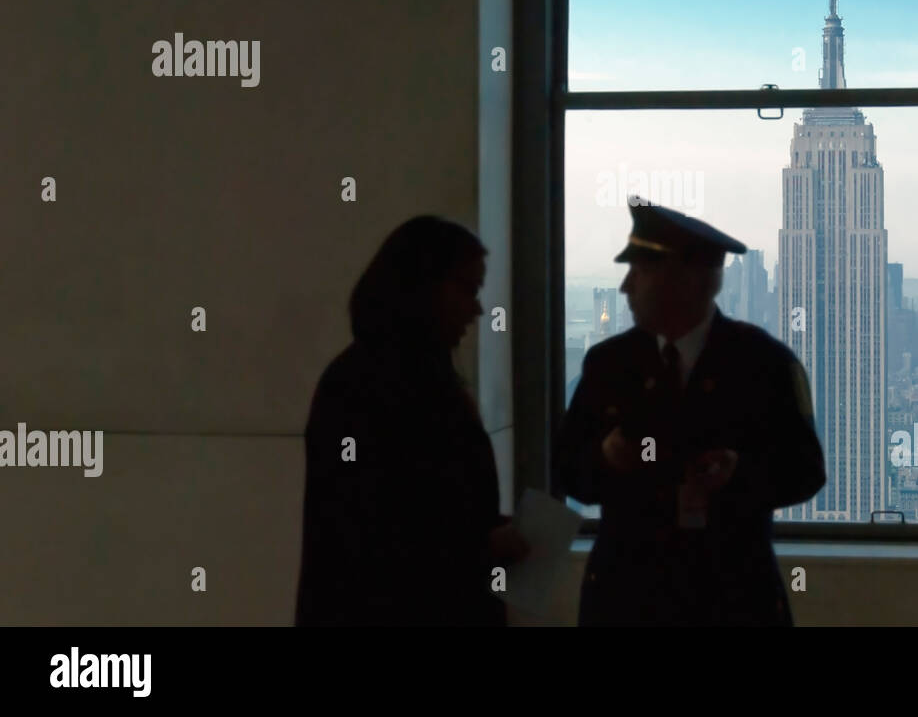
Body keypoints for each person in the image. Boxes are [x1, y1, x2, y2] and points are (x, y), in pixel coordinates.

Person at [556, 198, 826, 626]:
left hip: (730, 599)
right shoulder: (609, 364)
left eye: (639, 271)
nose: (625, 287)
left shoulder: (762, 364)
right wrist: (606, 457)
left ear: (688, 280)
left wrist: (738, 471)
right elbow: (566, 471)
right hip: (626, 600)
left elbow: (806, 472)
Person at [295, 215, 528, 626]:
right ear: (423, 287)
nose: (477, 309)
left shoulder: (380, 379)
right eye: (468, 289)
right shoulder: (369, 389)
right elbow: (373, 536)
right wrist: (486, 545)